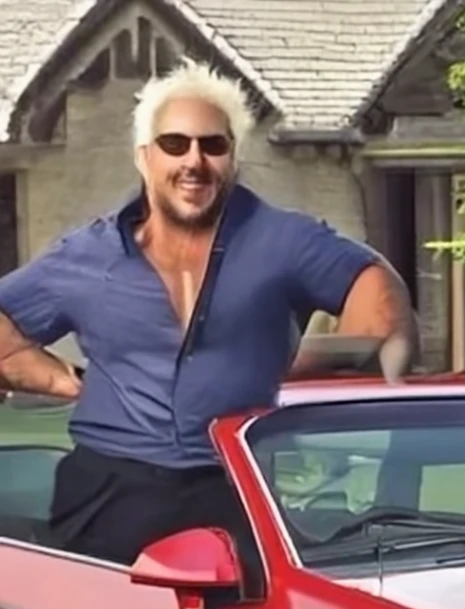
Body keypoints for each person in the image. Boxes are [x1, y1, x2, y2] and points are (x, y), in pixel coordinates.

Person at [0, 60, 417, 579]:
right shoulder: (86, 255)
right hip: (108, 490)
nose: (193, 161)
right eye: (175, 144)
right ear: (144, 156)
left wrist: (298, 366)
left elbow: (377, 294)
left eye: (212, 145)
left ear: (232, 157)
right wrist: (58, 379)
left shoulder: (286, 240)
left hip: (235, 485)